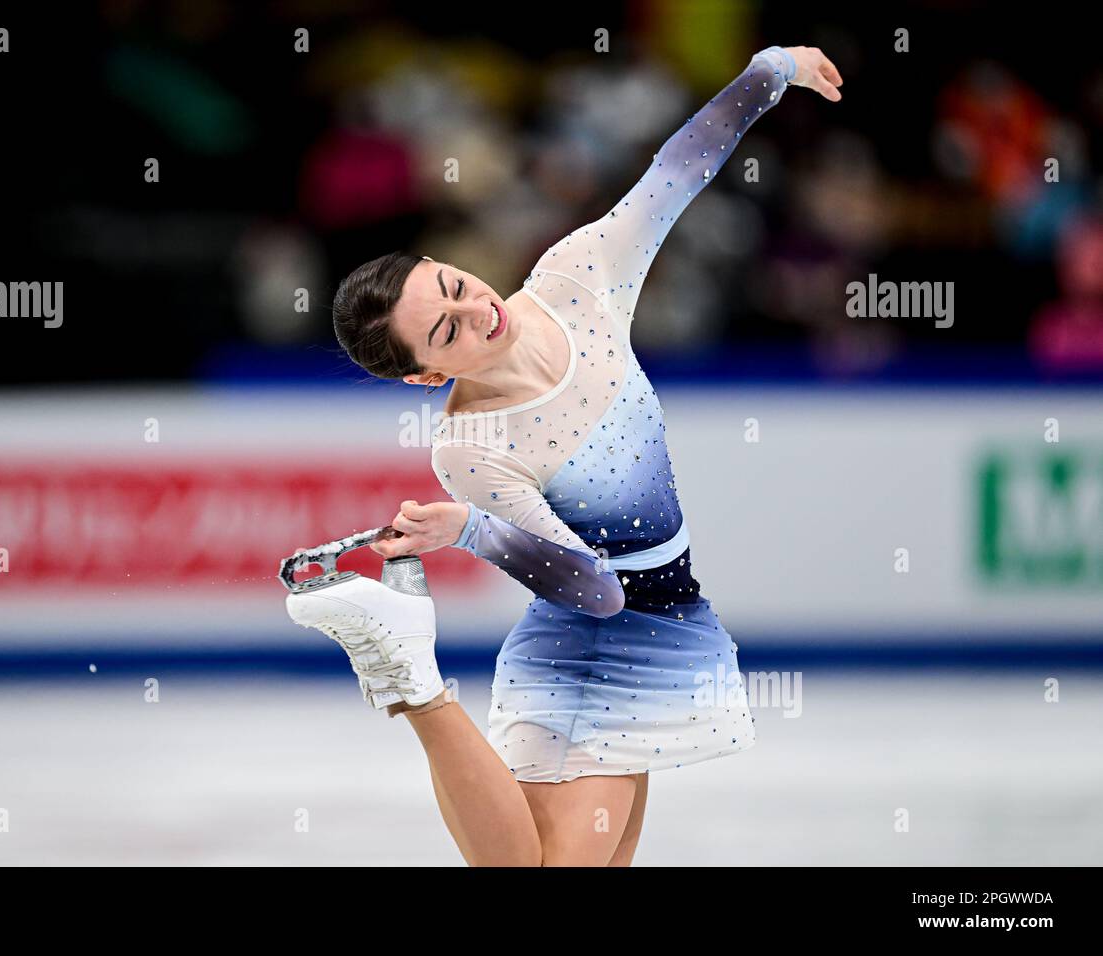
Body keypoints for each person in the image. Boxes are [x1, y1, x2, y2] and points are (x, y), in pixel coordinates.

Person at [299, 44, 843, 866]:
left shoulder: (575, 280)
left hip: (665, 623)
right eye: (447, 331)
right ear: (427, 374)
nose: (476, 310)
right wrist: (472, 531)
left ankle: (410, 680)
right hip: (589, 650)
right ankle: (412, 683)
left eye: (454, 284)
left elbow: (675, 173)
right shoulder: (470, 446)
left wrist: (766, 72)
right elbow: (589, 589)